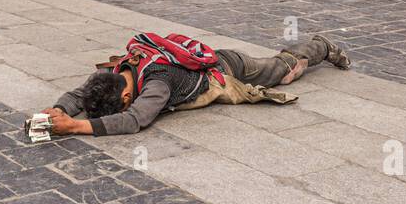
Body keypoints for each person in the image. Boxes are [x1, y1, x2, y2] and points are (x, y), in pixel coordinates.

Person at [43, 33, 351, 136]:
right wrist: (57, 110)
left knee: (285, 69)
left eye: (126, 101)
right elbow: (79, 94)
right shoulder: (121, 68)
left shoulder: (157, 81)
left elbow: (136, 119)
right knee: (284, 68)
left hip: (231, 67)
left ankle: (320, 46)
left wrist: (76, 127)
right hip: (213, 64)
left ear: (127, 95)